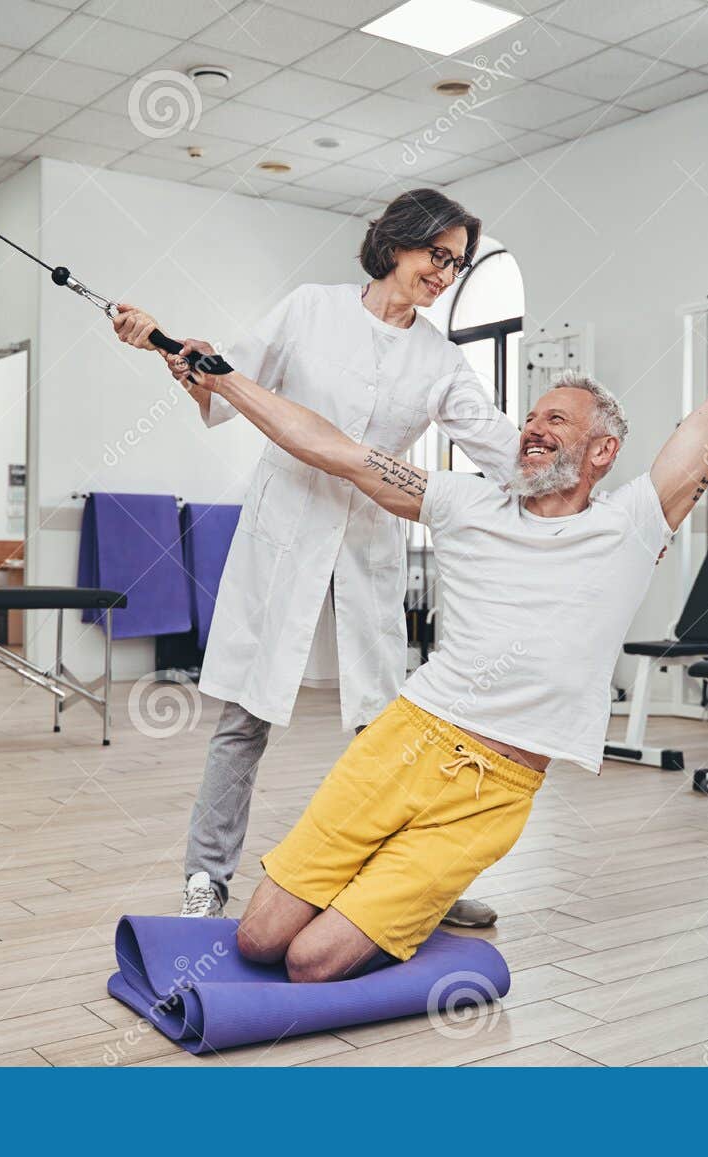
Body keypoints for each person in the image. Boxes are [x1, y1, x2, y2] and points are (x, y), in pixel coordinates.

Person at [139, 214, 708, 979]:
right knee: (256, 940)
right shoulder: (461, 500)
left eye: (556, 420)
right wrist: (224, 377)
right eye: (532, 416)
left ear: (604, 451)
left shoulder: (634, 520)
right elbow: (335, 448)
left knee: (312, 961)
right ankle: (346, 884)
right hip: (405, 740)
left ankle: (397, 892)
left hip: (495, 785)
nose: (533, 430)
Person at [112, 189, 517, 927]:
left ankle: (418, 878)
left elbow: (497, 442)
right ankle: (206, 878)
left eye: (457, 263)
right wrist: (171, 349)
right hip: (286, 525)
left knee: (386, 724)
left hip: (367, 535)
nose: (445, 272)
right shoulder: (309, 309)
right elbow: (229, 382)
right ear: (398, 242)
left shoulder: (439, 358)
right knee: (246, 711)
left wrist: (576, 477)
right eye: (438, 255)